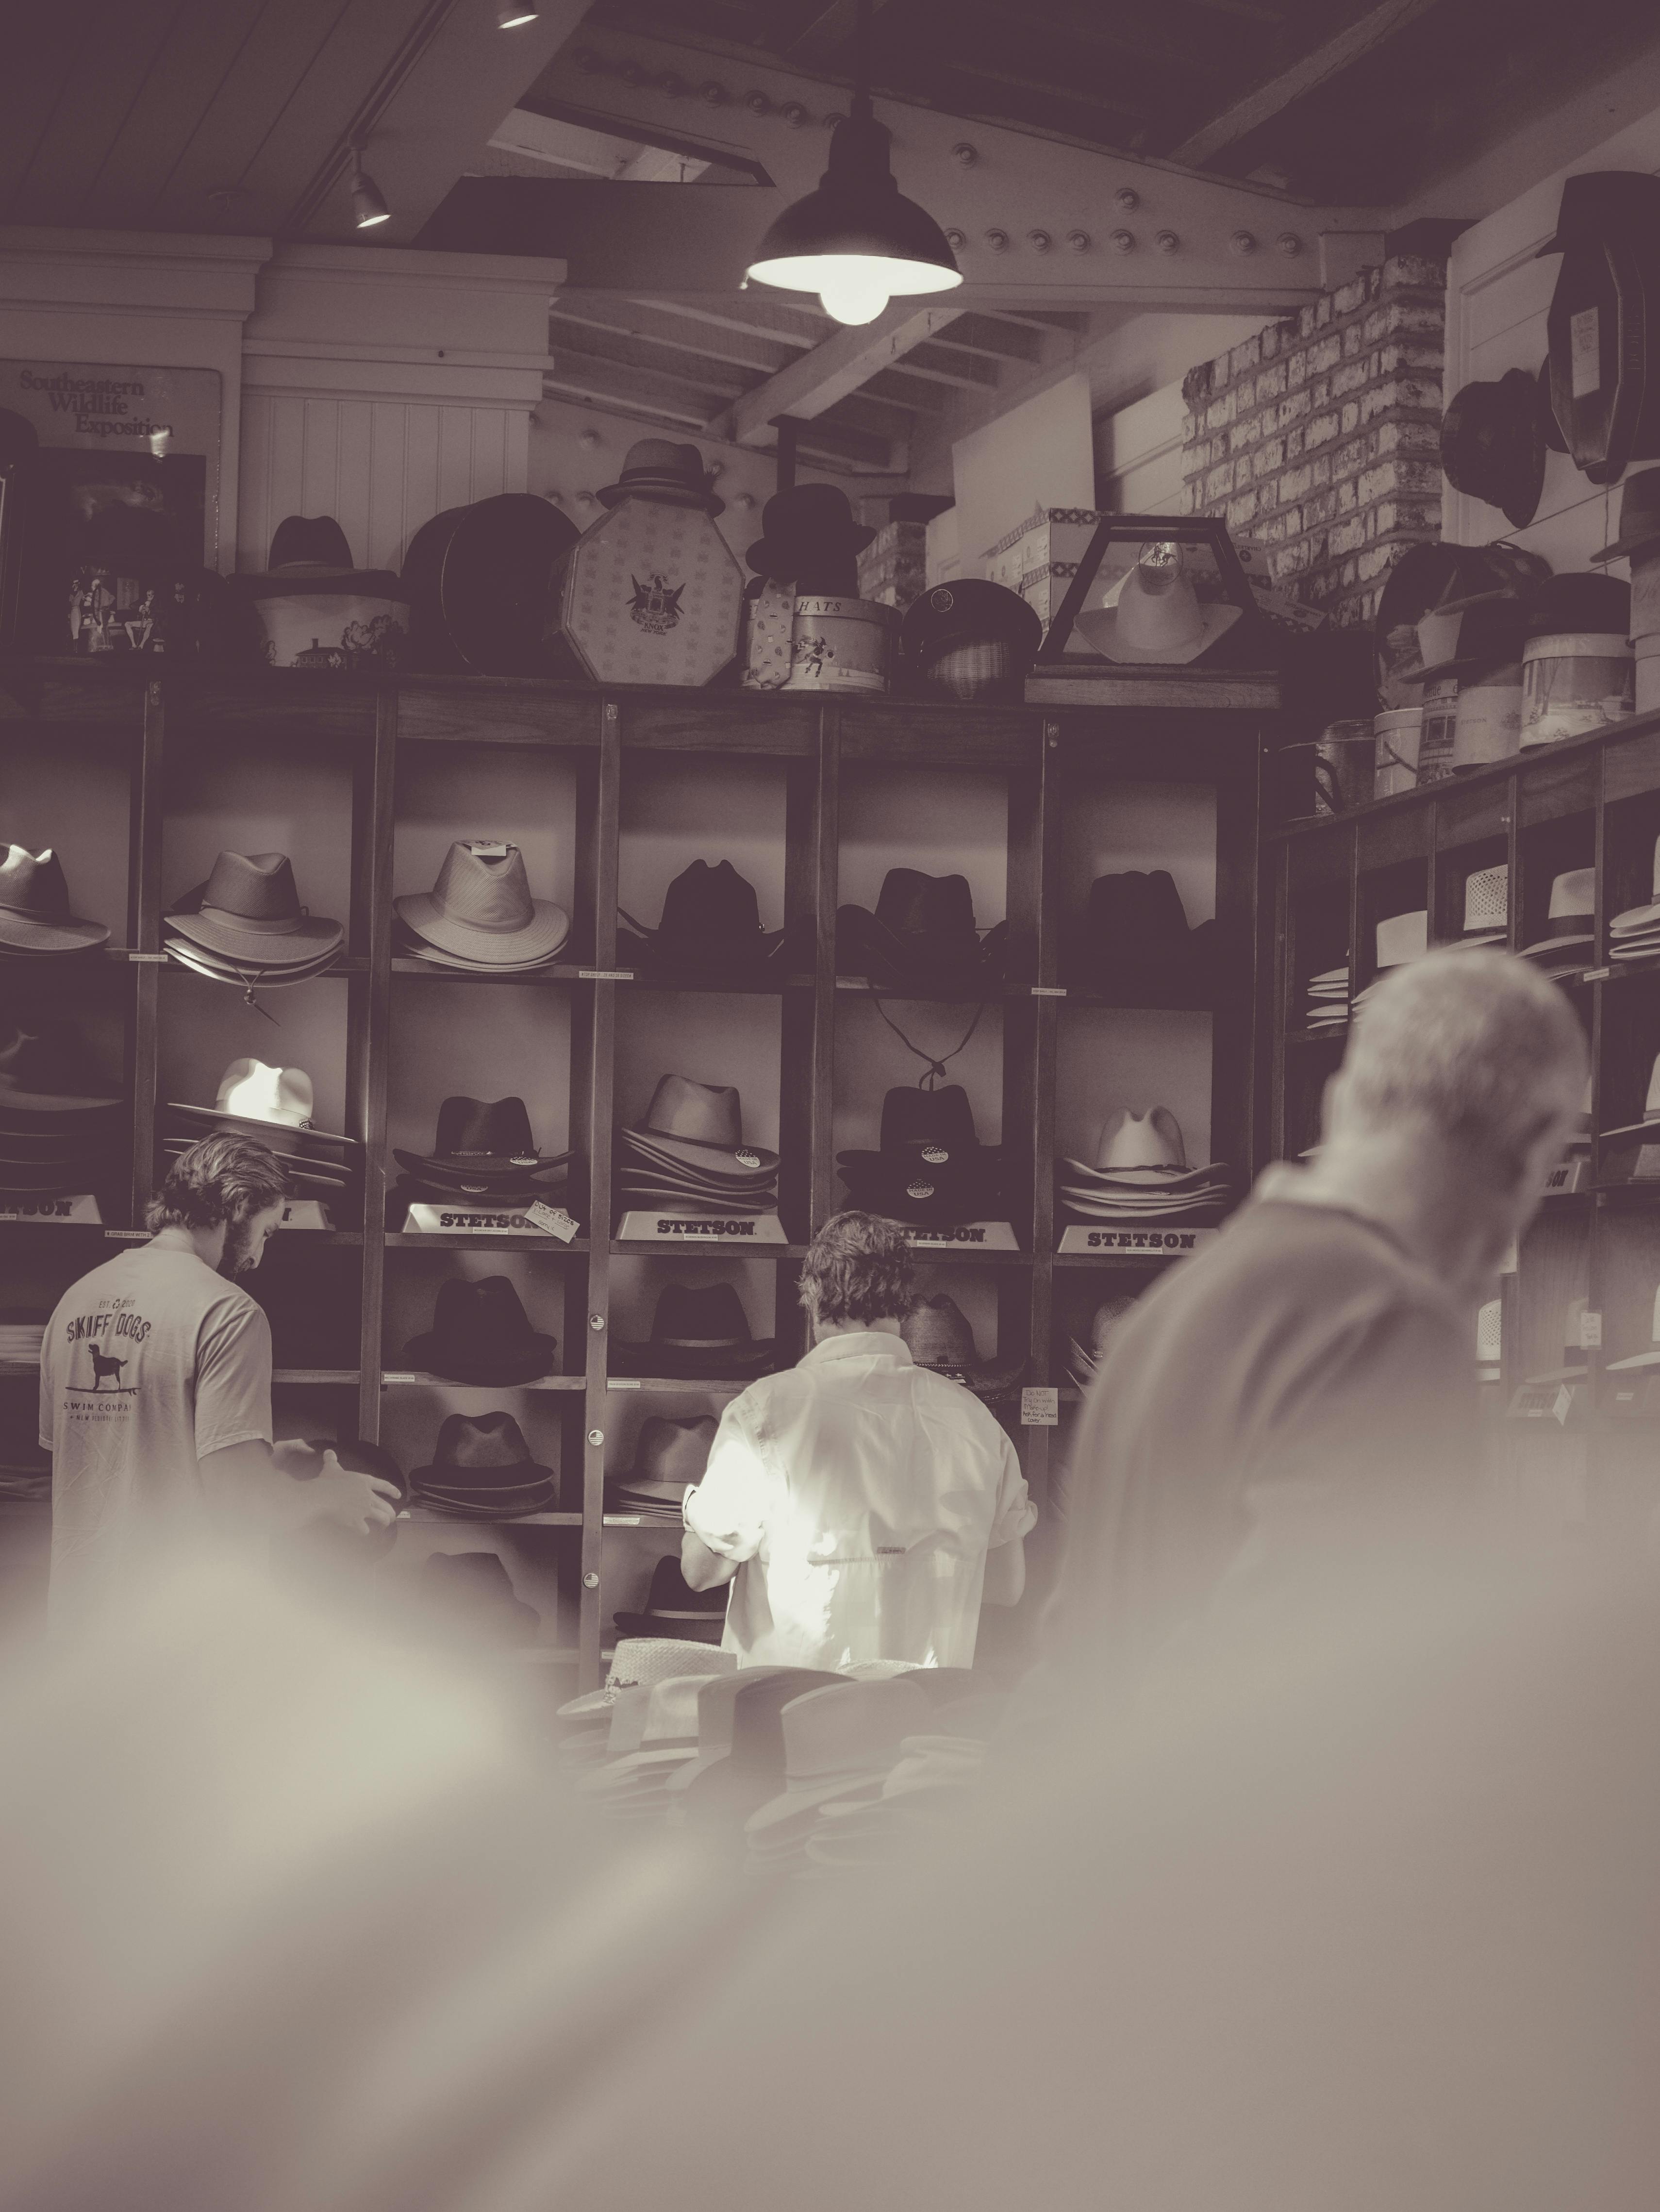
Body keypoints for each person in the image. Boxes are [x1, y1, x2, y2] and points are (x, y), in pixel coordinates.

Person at [1057, 947, 1588, 1679]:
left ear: (1341, 1104)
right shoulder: (1388, 1325)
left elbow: (1074, 1649)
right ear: (1532, 1147)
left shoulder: (1166, 1312)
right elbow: (1311, 1699)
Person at [38, 1131, 399, 1617]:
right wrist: (329, 1493)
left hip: (78, 1614)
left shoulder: (77, 1299)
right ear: (239, 1204)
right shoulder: (228, 1311)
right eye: (267, 1232)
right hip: (176, 1623)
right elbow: (241, 1502)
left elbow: (109, 1451)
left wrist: (257, 1456)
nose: (257, 1258)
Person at [680, 1210, 1035, 1669]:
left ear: (812, 1298)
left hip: (790, 1720)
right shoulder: (977, 1423)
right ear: (903, 1303)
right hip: (922, 1720)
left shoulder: (764, 1411)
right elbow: (1008, 1586)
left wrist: (696, 1514)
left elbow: (700, 1572)